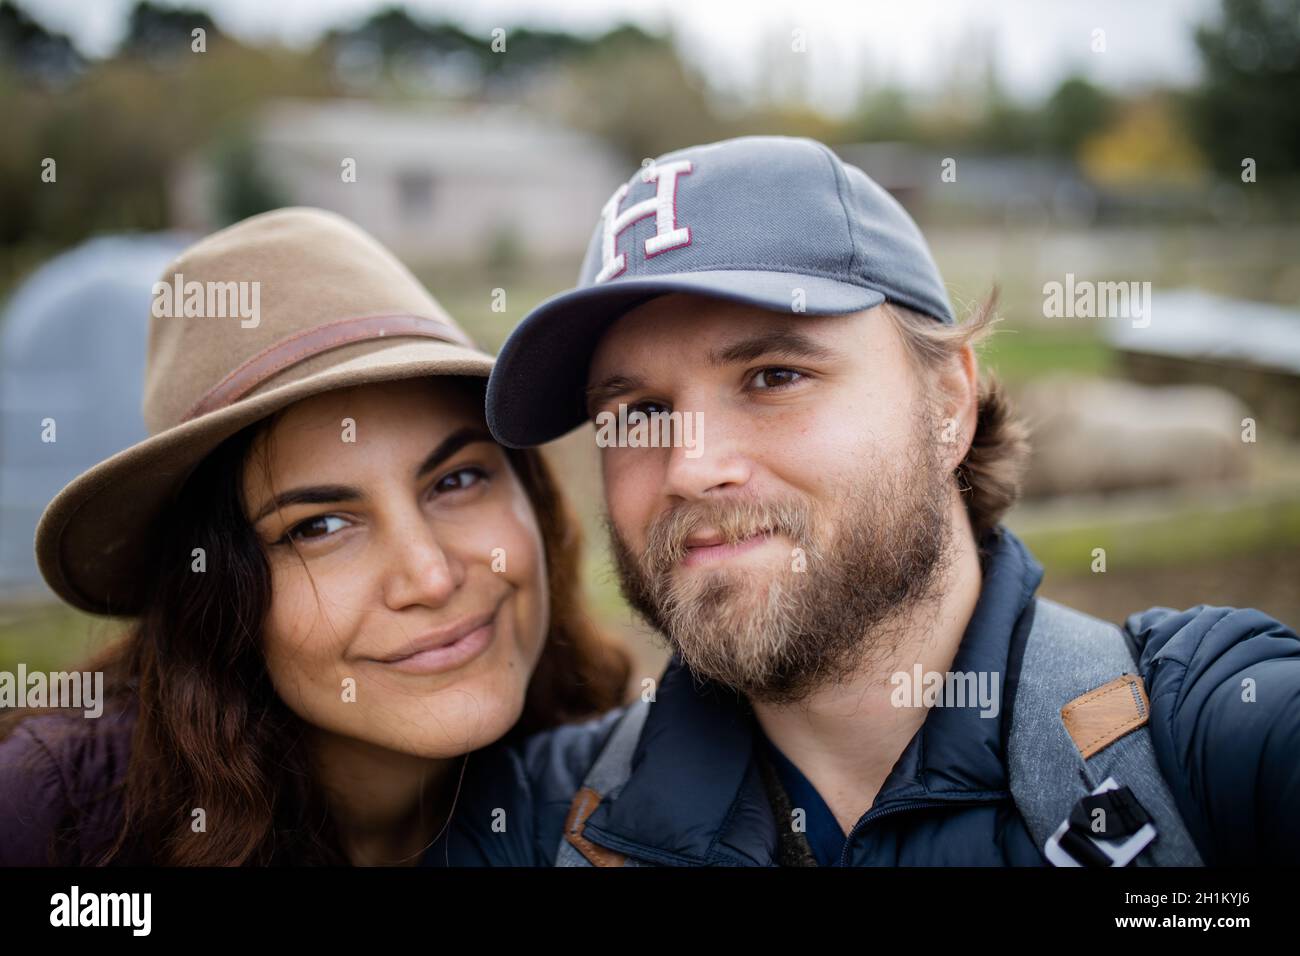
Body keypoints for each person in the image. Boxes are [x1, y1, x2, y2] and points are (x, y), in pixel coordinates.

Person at [463, 135, 1300, 866]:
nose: (690, 466)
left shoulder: (1204, 744)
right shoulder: (535, 825)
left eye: (774, 377)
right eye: (639, 414)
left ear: (947, 406)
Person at [0, 207, 630, 866]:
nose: (431, 577)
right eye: (318, 527)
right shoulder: (52, 824)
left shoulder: (614, 776)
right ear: (214, 595)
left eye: (457, 480)